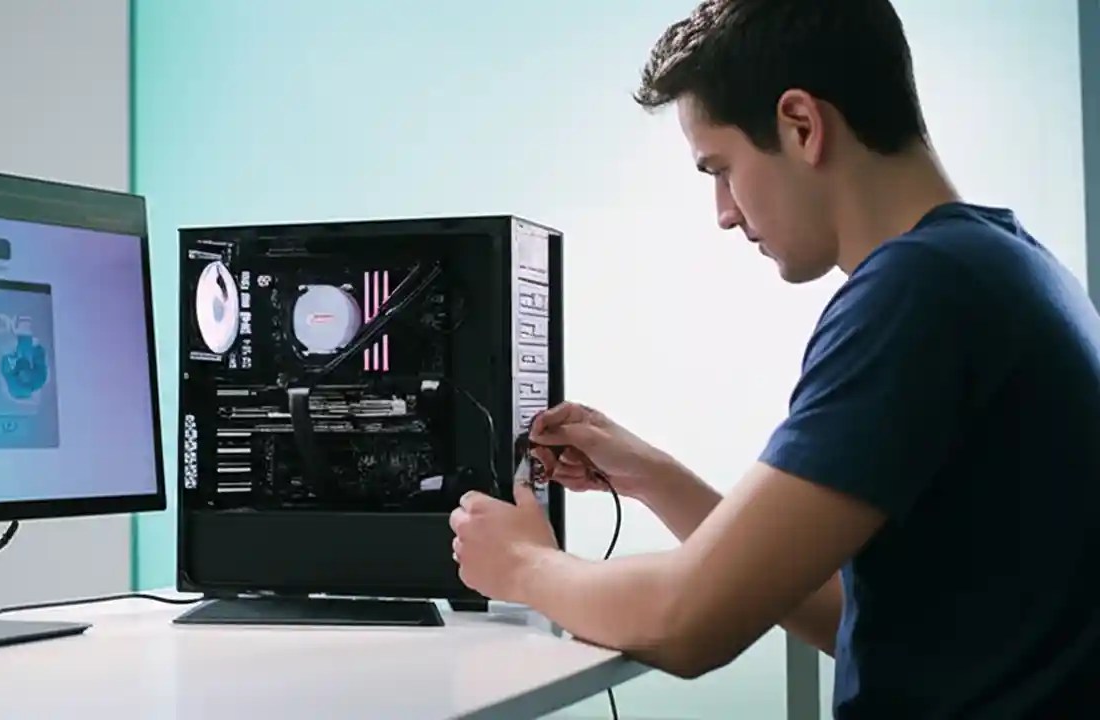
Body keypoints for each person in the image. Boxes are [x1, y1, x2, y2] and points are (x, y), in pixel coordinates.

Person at [447, 0, 1100, 717]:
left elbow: (687, 624)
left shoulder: (919, 292)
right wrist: (654, 477)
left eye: (721, 168)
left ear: (801, 125)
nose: (724, 212)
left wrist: (523, 565)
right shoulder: (1009, 265)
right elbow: (852, 612)